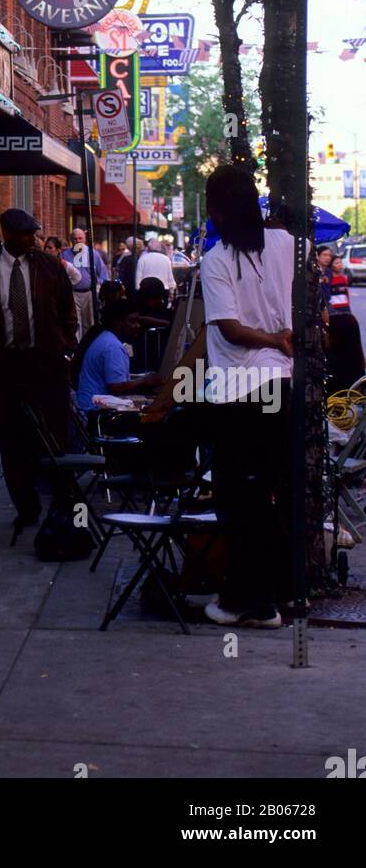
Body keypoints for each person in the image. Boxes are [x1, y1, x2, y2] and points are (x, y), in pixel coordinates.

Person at [199, 164, 294, 631]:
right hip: (278, 387)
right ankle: (268, 596)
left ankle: (247, 600)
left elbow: (231, 331)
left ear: (217, 210)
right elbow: (284, 233)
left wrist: (273, 340)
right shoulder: (285, 244)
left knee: (237, 498)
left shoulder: (216, 259)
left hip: (238, 392)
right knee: (264, 492)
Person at [0, 208, 78, 532]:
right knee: (11, 439)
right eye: (27, 234)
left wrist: (66, 347)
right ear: (9, 235)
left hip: (48, 363)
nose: (34, 239)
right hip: (9, 365)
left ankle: (63, 504)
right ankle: (25, 507)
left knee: (57, 435)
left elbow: (69, 313)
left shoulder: (50, 267)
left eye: (35, 233)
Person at [74, 299, 165, 412]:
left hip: (92, 404)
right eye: (132, 321)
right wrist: (145, 380)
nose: (137, 326)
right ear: (118, 323)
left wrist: (143, 378)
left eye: (137, 321)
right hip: (96, 410)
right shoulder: (113, 347)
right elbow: (117, 387)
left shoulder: (106, 338)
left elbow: (117, 378)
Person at [62, 227, 108, 338]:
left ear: (85, 239)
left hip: (89, 293)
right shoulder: (65, 254)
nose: (77, 241)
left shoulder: (93, 254)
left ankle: (88, 347)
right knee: (75, 323)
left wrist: (99, 288)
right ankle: (77, 348)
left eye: (80, 238)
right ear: (70, 240)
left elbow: (103, 273)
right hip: (73, 293)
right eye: (74, 239)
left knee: (90, 323)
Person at [324, 312, 366, 398]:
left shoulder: (329, 366)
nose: (324, 335)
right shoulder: (357, 366)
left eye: (327, 331)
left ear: (337, 335)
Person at [316, 245, 334, 316]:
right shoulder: (313, 271)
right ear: (317, 256)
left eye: (330, 255)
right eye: (325, 255)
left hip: (327, 304)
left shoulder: (329, 272)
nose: (328, 258)